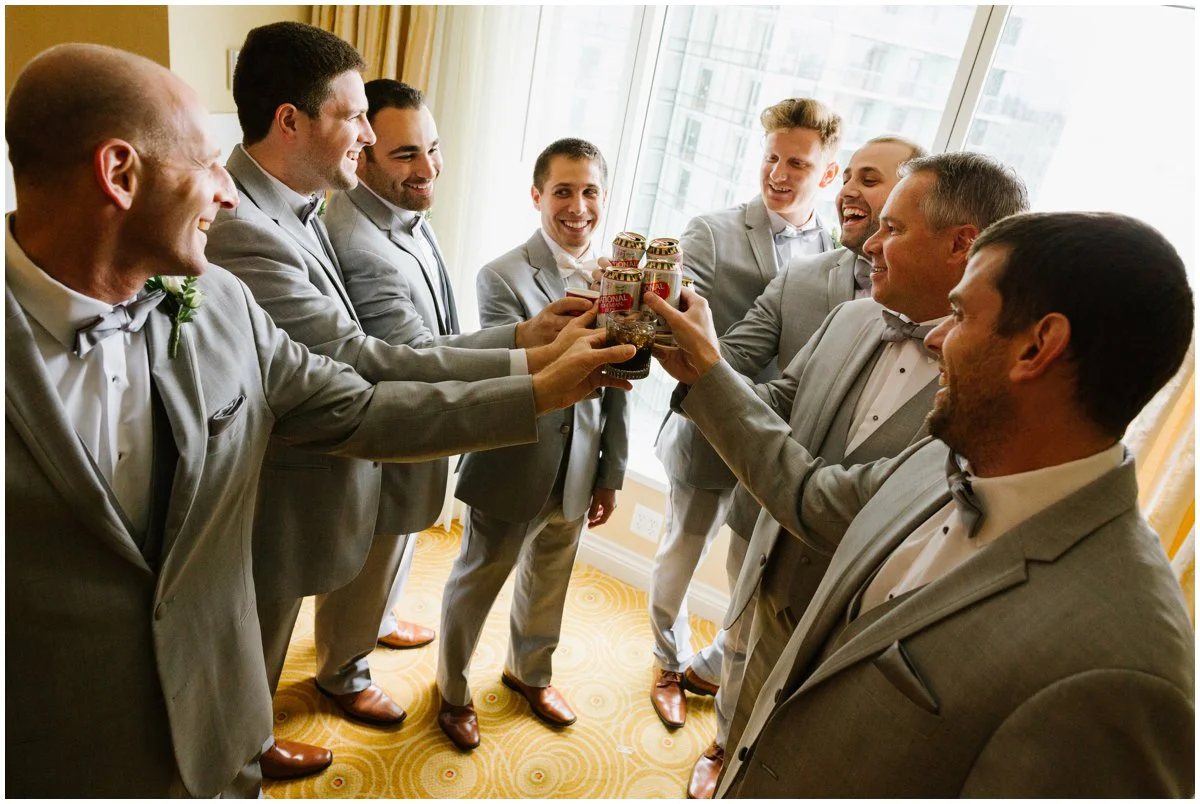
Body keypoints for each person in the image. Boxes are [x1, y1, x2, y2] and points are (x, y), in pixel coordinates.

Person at [4, 42, 632, 798]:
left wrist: (536, 384)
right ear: (119, 174)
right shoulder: (241, 251)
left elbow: (357, 404)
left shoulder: (222, 305)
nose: (227, 194)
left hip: (221, 729)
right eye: (205, 166)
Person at [644, 209, 1195, 797]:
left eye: (958, 315)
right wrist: (704, 369)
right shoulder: (940, 456)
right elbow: (807, 496)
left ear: (1038, 347)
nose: (934, 336)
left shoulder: (1127, 668)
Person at [203, 23, 587, 779]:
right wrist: (532, 373)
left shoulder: (301, 200)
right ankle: (243, 748)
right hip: (272, 477)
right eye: (353, 116)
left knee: (268, 629)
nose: (367, 135)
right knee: (254, 632)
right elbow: (358, 357)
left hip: (316, 460)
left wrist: (527, 337)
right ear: (291, 121)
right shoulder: (245, 227)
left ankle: (251, 732)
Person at [684, 135, 934, 797]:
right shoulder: (852, 316)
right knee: (738, 680)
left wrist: (701, 368)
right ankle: (723, 752)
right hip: (769, 560)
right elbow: (772, 404)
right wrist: (694, 351)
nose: (873, 240)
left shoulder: (973, 387)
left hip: (849, 621)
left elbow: (834, 502)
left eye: (894, 223)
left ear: (959, 242)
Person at [325, 79, 578, 658]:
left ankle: (379, 619)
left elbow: (437, 333)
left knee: (401, 540)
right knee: (374, 549)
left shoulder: (402, 206)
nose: (429, 167)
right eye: (406, 153)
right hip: (390, 421)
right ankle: (344, 670)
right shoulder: (359, 241)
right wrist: (523, 344)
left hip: (423, 413)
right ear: (361, 155)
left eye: (432, 147)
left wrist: (524, 333)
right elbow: (412, 355)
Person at [649, 98, 843, 730]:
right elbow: (679, 323)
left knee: (749, 572)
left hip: (781, 441)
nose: (779, 174)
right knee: (682, 549)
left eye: (797, 162)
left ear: (828, 174)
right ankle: (666, 660)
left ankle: (715, 664)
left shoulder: (842, 252)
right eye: (771, 158)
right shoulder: (712, 230)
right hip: (708, 430)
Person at [435, 138, 630, 751]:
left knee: (551, 579)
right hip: (512, 460)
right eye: (563, 191)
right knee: (477, 578)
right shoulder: (502, 274)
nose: (578, 207)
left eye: (590, 191)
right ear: (538, 197)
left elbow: (621, 384)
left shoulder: (620, 277)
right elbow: (507, 364)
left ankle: (530, 673)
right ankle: (452, 690)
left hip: (579, 465)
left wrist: (611, 470)